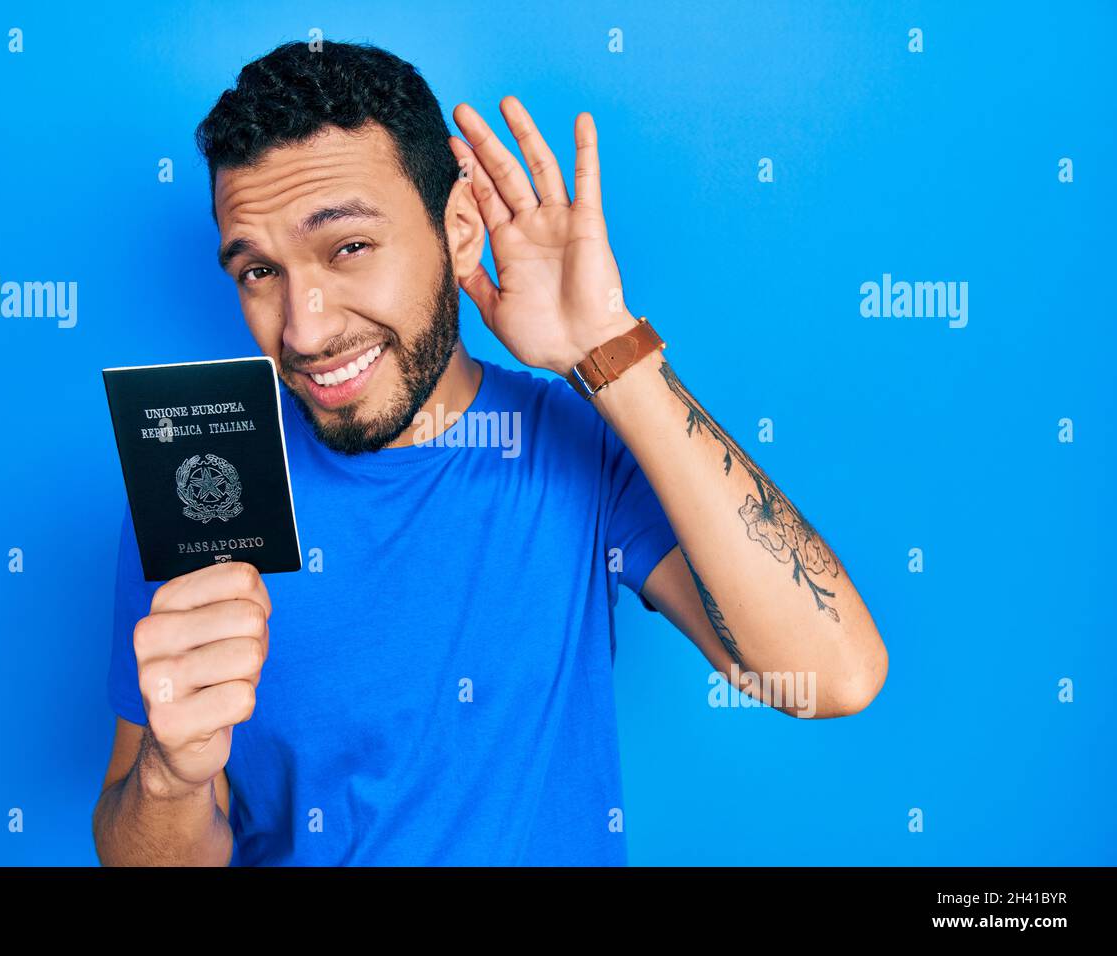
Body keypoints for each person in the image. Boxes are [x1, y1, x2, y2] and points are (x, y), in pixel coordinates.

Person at [92, 40, 888, 866]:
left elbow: (835, 675)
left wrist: (611, 352)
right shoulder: (205, 484)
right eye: (259, 271)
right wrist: (170, 777)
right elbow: (140, 850)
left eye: (349, 248)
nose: (306, 328)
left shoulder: (575, 445)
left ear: (459, 229)